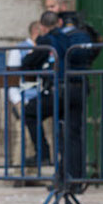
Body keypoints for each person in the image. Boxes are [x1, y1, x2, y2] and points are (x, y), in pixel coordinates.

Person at [22, 10, 93, 178]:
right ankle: (73, 177)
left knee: (30, 112)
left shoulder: (49, 39)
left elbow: (28, 62)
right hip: (79, 88)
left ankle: (43, 154)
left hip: (61, 90)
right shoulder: (74, 37)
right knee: (72, 133)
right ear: (58, 23)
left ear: (42, 27)